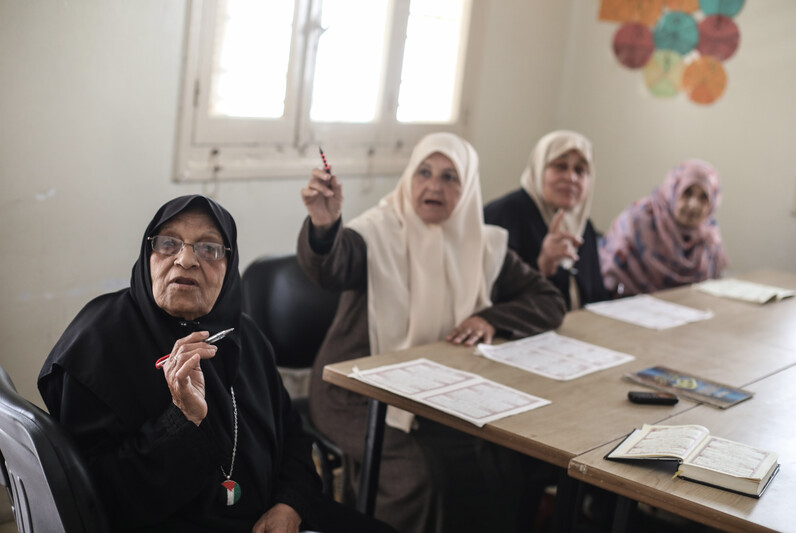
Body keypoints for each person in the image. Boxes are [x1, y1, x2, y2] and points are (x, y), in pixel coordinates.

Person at [38, 195, 395, 533]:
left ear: (230, 265)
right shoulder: (99, 345)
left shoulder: (245, 336)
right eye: (168, 243)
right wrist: (182, 419)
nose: (186, 260)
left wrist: (290, 504)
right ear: (148, 255)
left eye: (208, 249)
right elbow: (95, 500)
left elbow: (294, 438)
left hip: (274, 515)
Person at [297, 132, 567, 533]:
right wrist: (324, 224)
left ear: (468, 186)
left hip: (441, 391)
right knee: (417, 477)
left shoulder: (483, 245)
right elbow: (330, 268)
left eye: (449, 177)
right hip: (355, 391)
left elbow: (548, 300)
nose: (433, 186)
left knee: (497, 464)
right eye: (424, 172)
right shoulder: (374, 232)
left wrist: (491, 319)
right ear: (409, 177)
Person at [484, 130, 608, 310]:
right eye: (560, 166)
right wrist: (542, 265)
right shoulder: (504, 215)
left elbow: (597, 297)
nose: (571, 178)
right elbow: (492, 296)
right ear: (539, 167)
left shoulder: (584, 226)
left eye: (580, 170)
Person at [599, 158, 728, 296]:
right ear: (672, 190)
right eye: (687, 193)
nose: (693, 205)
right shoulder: (637, 221)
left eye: (703, 197)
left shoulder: (709, 238)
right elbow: (610, 277)